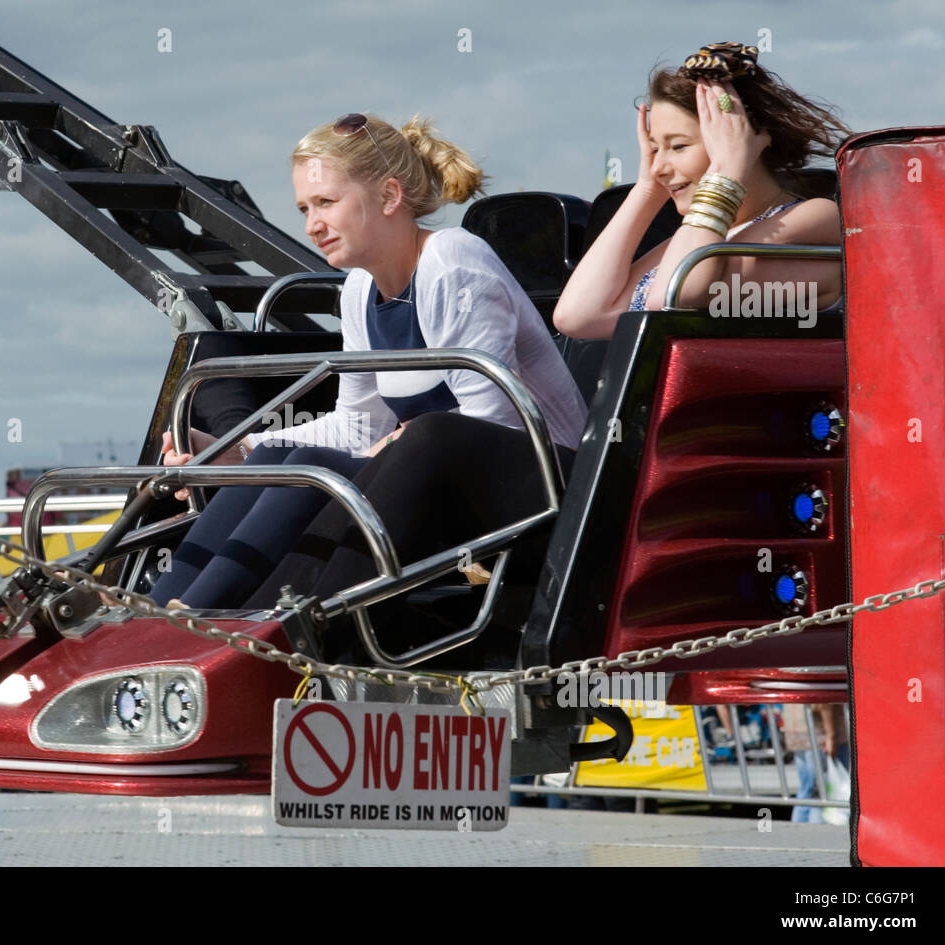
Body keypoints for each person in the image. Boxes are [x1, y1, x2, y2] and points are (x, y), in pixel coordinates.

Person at [149, 113, 587, 616]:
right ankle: (158, 613)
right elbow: (358, 427)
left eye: (326, 203)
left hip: (548, 495)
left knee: (417, 439)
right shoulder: (359, 289)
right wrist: (237, 450)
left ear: (388, 197)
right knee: (277, 458)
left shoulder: (453, 262)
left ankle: (239, 625)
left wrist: (396, 444)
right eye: (305, 209)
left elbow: (492, 426)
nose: (313, 224)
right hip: (454, 481)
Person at [553, 41, 848, 339]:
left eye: (678, 146)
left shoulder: (815, 215)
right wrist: (646, 192)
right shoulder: (700, 236)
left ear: (740, 139)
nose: (658, 168)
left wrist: (726, 169)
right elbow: (578, 317)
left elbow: (669, 299)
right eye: (654, 150)